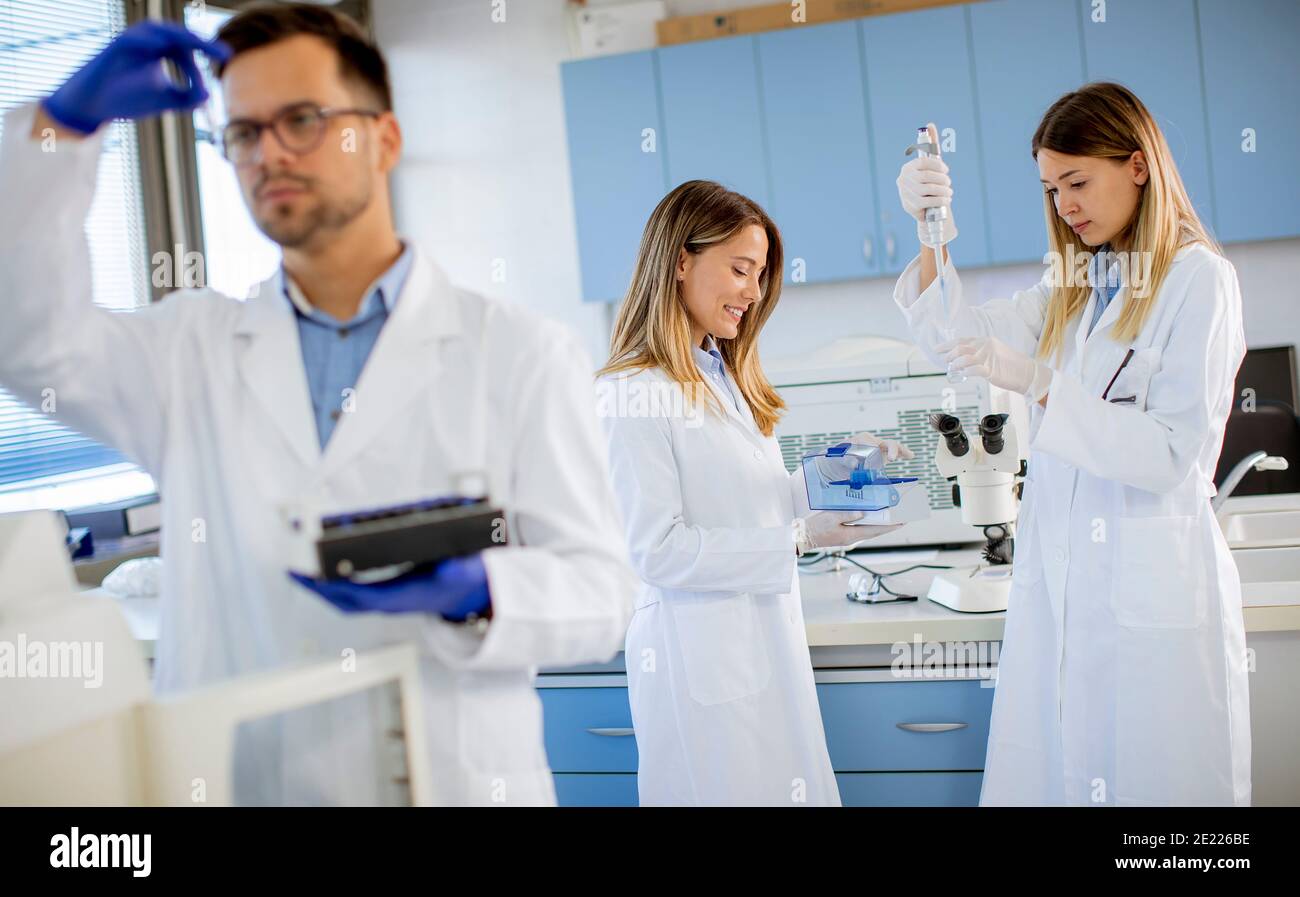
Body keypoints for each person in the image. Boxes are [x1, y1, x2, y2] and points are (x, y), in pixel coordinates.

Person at [0, 6, 635, 805]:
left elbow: (602, 592)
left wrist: (481, 591)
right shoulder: (186, 352)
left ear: (385, 140)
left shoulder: (518, 352)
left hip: (449, 781)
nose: (268, 153)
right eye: (243, 132)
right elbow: (30, 344)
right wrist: (61, 126)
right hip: (248, 782)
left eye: (301, 120)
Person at [893, 84, 1249, 806]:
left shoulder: (1199, 281)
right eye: (1052, 189)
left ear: (1138, 166)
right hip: (1063, 598)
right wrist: (932, 234)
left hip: (1154, 604)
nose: (1065, 205)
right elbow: (953, 334)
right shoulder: (1079, 284)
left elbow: (1173, 456)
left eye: (1078, 182)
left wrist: (1045, 385)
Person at [597, 180, 913, 806]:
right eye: (740, 269)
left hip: (755, 651)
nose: (754, 290)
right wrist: (797, 539)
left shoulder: (716, 369)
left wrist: (830, 474)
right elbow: (656, 550)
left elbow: (749, 499)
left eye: (762, 274)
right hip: (703, 670)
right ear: (680, 260)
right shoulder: (634, 390)